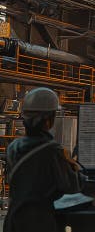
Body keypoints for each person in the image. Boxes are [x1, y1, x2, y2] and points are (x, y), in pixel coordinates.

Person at [4, 88, 84, 232]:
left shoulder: (12, 149)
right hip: (41, 223)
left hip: (14, 221)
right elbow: (71, 188)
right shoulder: (54, 152)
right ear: (48, 121)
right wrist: (76, 171)